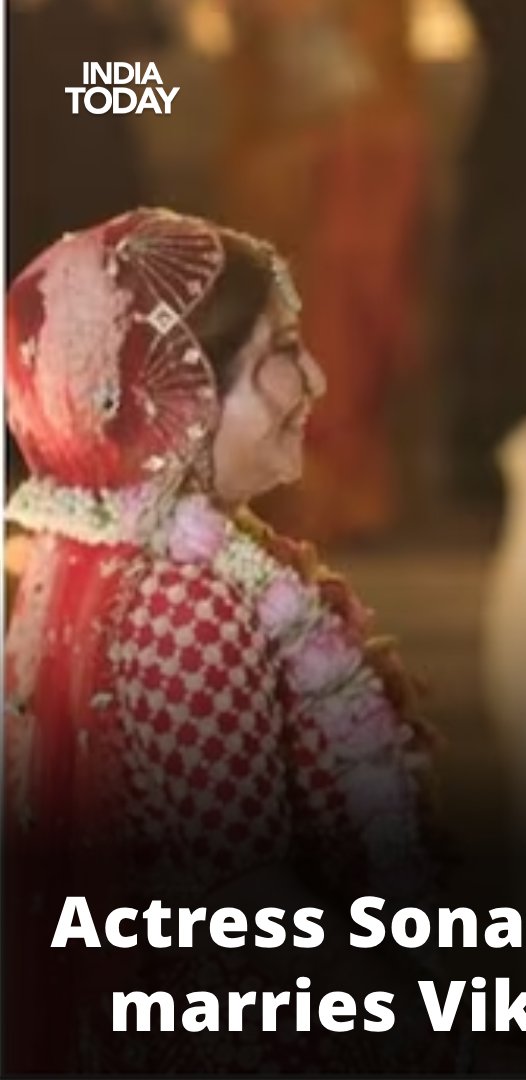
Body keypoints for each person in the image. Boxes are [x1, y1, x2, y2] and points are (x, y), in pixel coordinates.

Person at [3, 208, 442, 1074]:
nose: (317, 379)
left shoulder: (89, 554)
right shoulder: (186, 601)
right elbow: (242, 912)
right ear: (185, 398)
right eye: (283, 352)